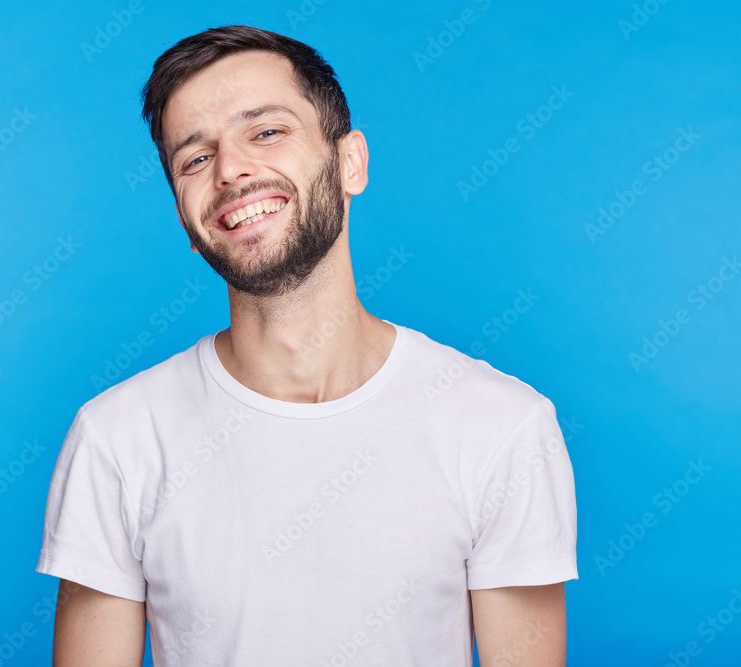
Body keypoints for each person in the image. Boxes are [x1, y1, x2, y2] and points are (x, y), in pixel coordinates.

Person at [36, 24, 577, 666]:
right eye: (195, 159)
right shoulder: (115, 440)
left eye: (266, 131)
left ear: (351, 162)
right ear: (186, 219)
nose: (231, 169)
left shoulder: (503, 426)